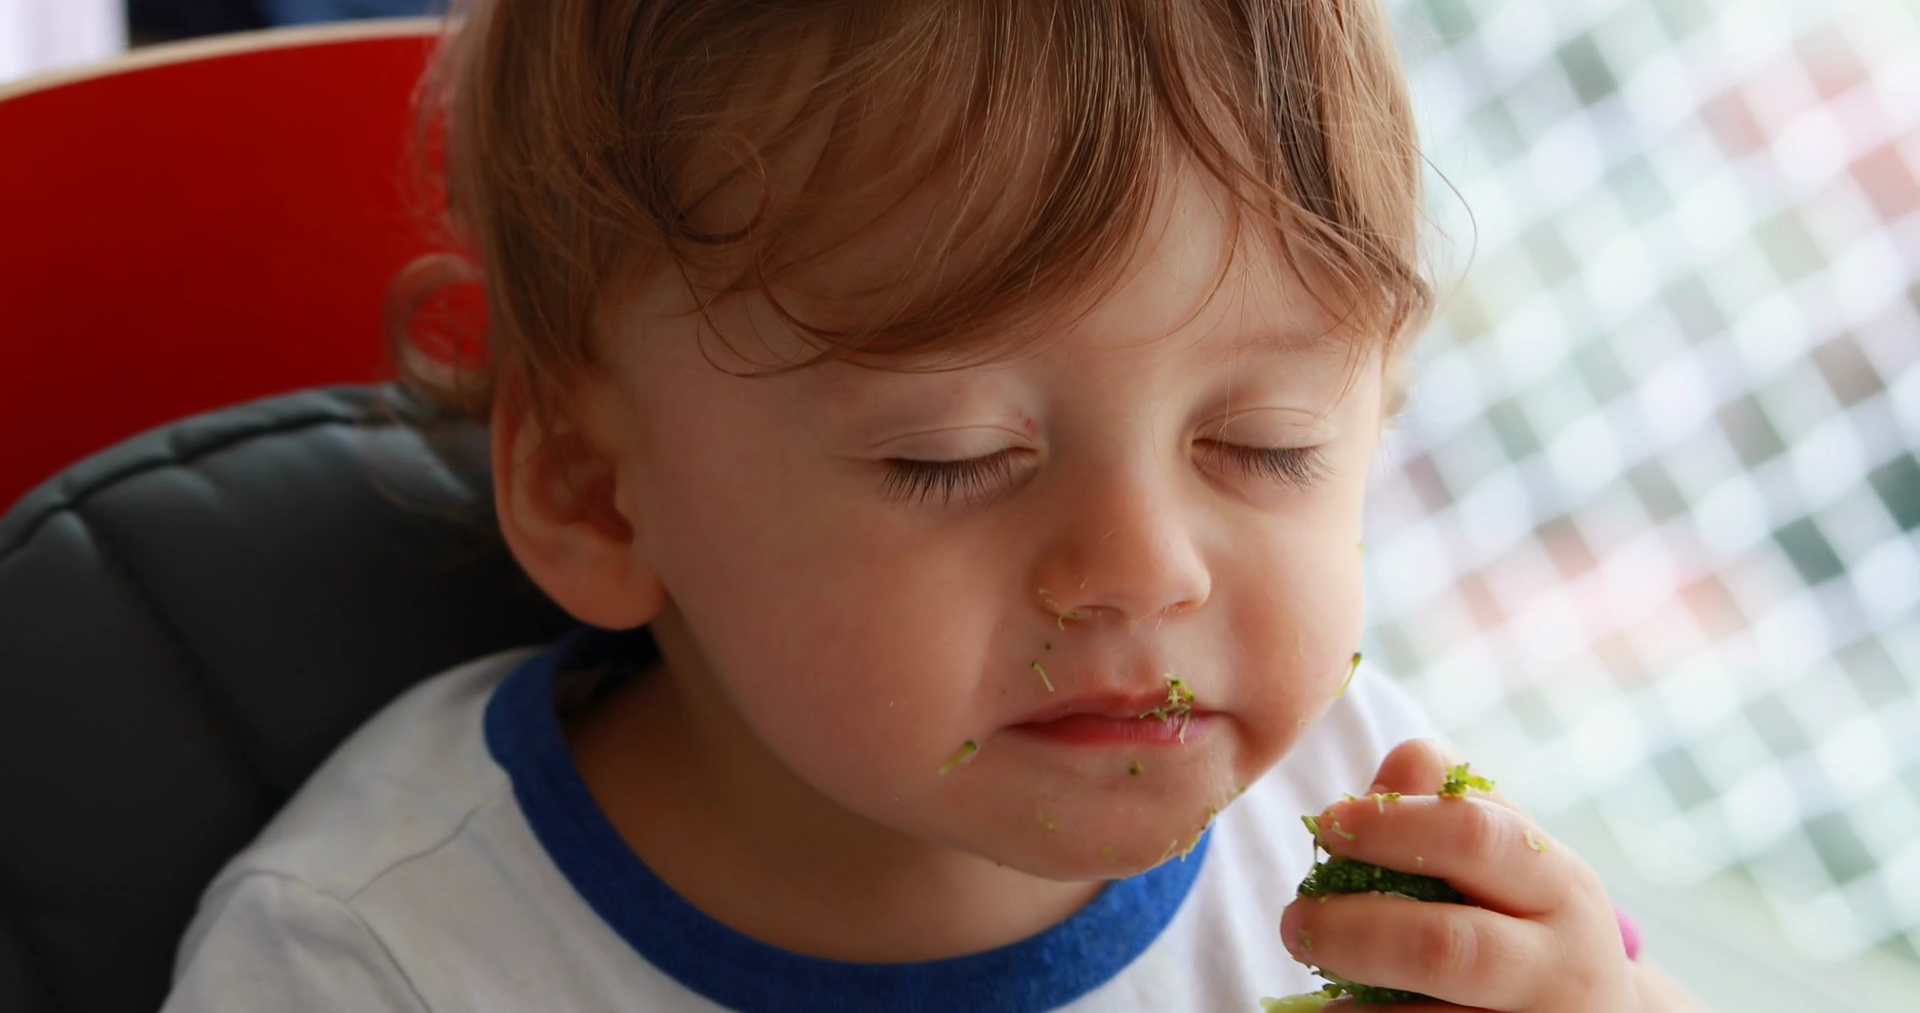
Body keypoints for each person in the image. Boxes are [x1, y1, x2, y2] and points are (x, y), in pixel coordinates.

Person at [160, 1, 1704, 1009]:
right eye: (953, 457)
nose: (1140, 574)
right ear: (596, 495)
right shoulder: (375, 958)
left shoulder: (1370, 821)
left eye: (1267, 444)